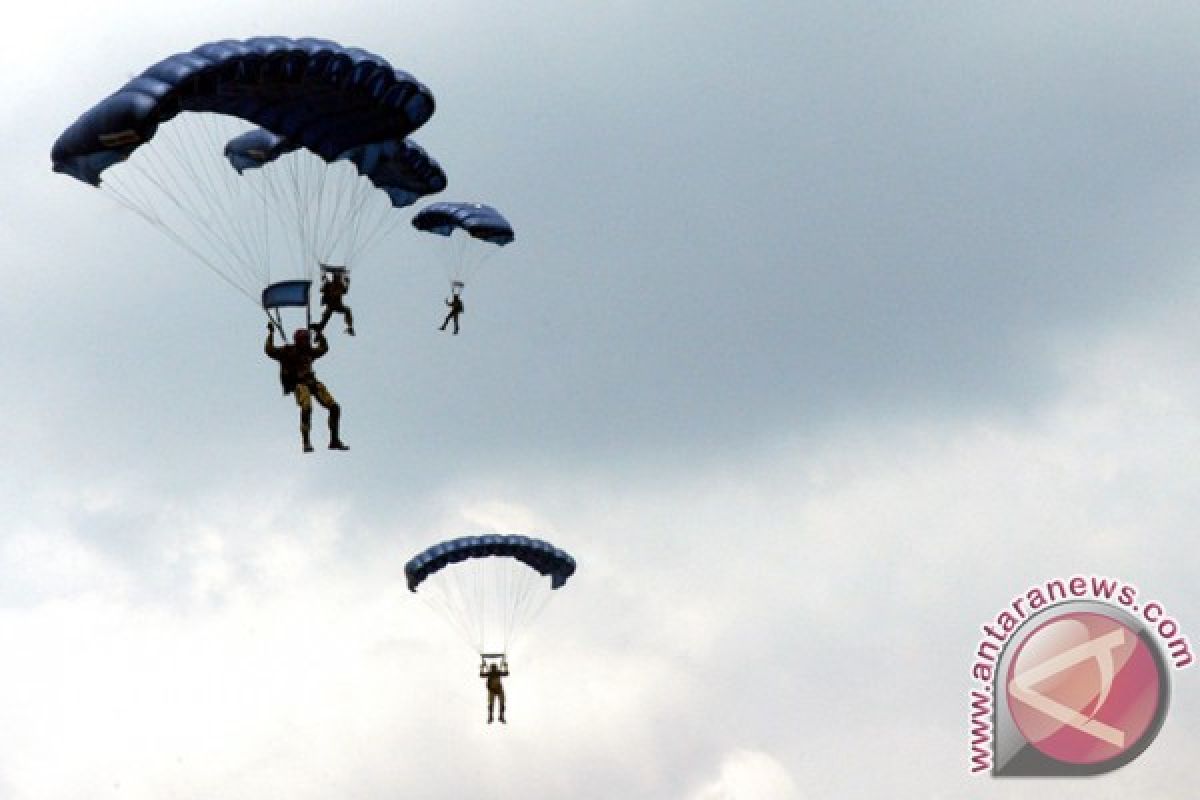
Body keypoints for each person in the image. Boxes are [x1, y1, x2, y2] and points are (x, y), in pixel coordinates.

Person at [264, 324, 349, 453]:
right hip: (299, 384)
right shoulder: (287, 351)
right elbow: (269, 350)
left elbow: (323, 349)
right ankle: (306, 442)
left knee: (335, 407)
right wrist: (271, 333)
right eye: (304, 340)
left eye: (307, 340)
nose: (306, 343)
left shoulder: (309, 351)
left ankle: (334, 440)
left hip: (312, 382)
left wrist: (320, 335)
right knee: (307, 407)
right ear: (298, 341)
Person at [315, 267, 354, 336]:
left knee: (347, 311)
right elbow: (322, 290)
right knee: (326, 316)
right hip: (331, 305)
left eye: (339, 278)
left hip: (337, 305)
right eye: (337, 278)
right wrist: (324, 279)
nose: (339, 279)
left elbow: (345, 291)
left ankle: (350, 327)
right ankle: (319, 329)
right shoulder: (329, 284)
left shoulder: (339, 285)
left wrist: (347, 283)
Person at [480, 658, 509, 724]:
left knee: (499, 703)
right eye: (493, 668)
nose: (493, 670)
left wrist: (482, 667)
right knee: (492, 704)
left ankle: (498, 717)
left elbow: (481, 675)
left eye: (494, 668)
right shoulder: (492, 673)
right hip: (494, 690)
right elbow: (506, 673)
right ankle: (493, 717)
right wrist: (506, 666)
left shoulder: (494, 673)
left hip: (497, 690)